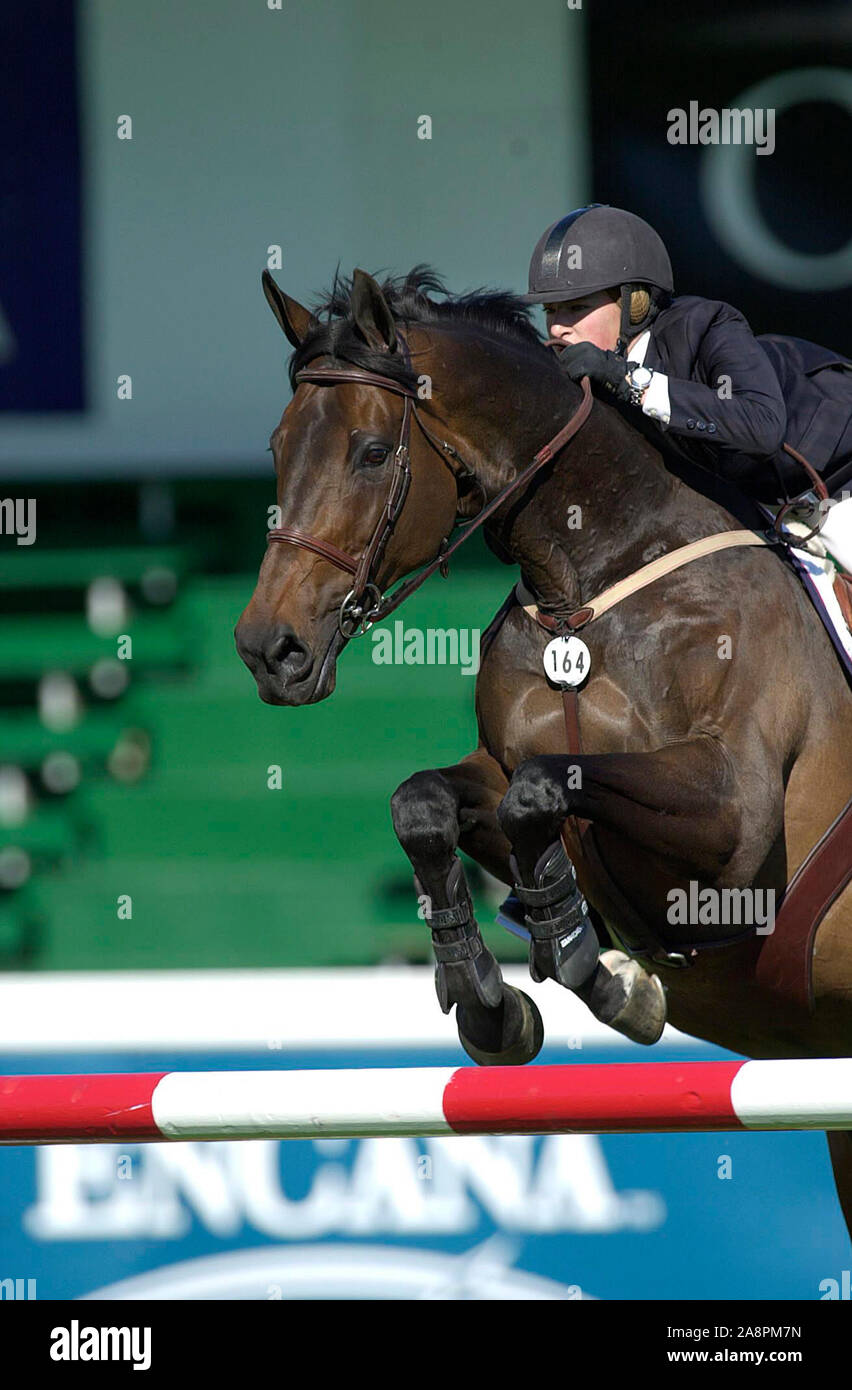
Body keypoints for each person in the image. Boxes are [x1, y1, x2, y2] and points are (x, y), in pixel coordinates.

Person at [521, 204, 852, 568]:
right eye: (550, 311)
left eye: (575, 307)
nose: (556, 328)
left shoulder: (705, 325)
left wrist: (629, 380)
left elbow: (762, 428)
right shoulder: (589, 382)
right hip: (763, 507)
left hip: (839, 480)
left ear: (636, 304)